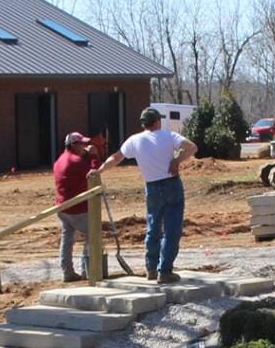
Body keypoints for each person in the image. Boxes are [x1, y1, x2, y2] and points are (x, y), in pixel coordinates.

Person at [96, 106, 196, 282]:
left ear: (144, 124)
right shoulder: (168, 136)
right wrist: (176, 160)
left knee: (153, 228)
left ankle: (151, 269)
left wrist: (99, 171)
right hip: (171, 184)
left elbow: (116, 158)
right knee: (172, 230)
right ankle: (165, 271)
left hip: (152, 187)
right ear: (157, 121)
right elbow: (192, 147)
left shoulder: (134, 141)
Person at [53, 131, 98, 282]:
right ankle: (89, 271)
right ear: (74, 145)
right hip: (77, 207)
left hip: (62, 206)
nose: (85, 147)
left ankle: (67, 272)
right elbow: (94, 173)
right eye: (82, 144)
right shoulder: (76, 162)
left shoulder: (60, 160)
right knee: (93, 235)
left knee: (67, 238)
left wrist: (86, 155)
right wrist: (93, 156)